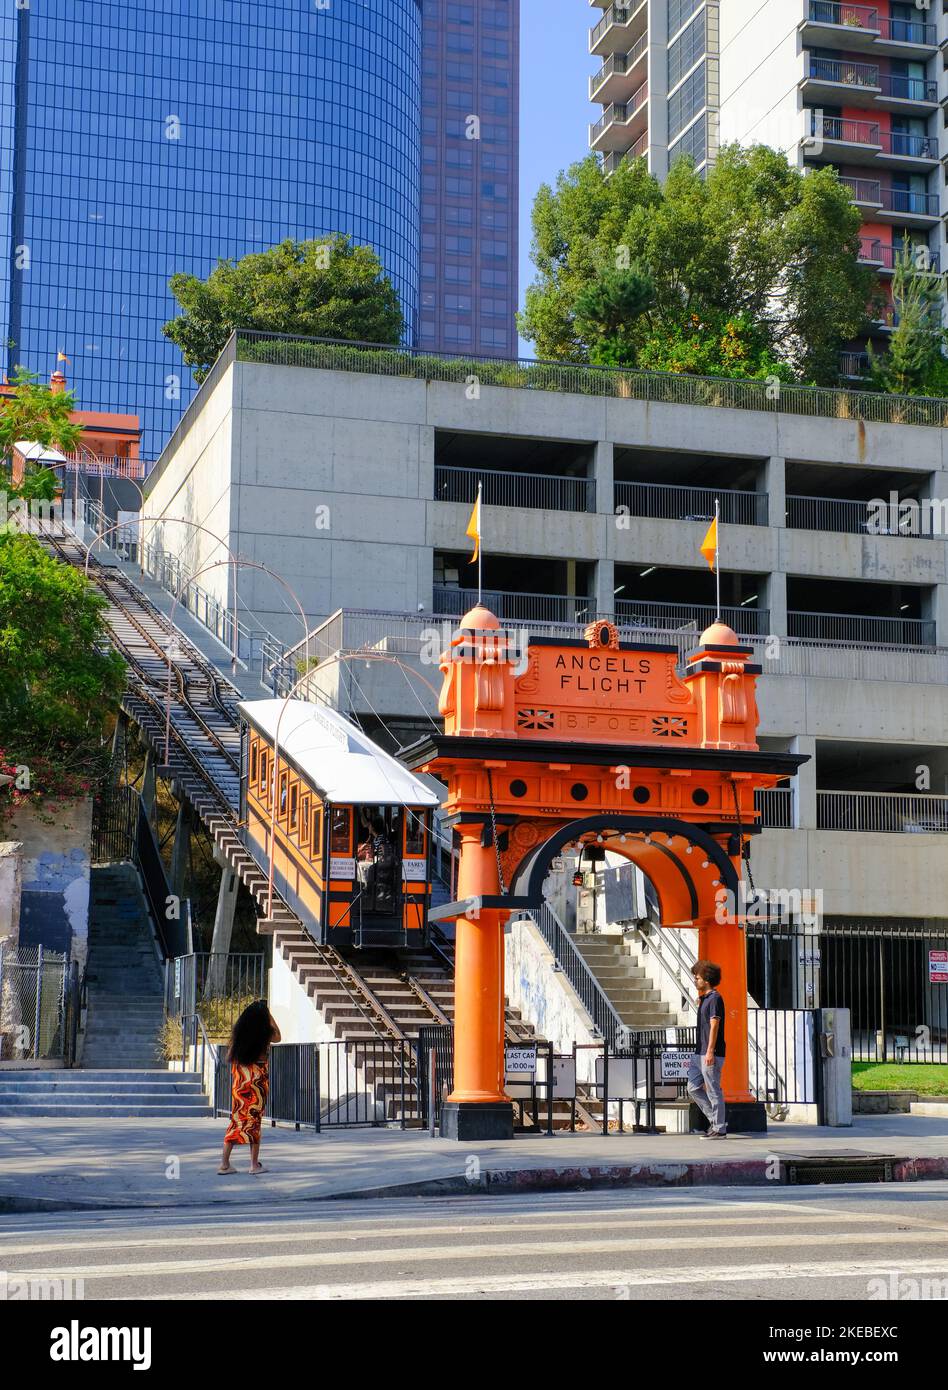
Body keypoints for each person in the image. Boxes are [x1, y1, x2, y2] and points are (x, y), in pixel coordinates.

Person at [218, 1000, 281, 1175]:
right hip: (258, 1084)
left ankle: (224, 1163)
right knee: (254, 1122)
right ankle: (254, 1165)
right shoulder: (263, 1035)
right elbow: (279, 1037)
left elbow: (229, 1056)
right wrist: (268, 1015)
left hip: (240, 1084)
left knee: (236, 1120)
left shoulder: (239, 1037)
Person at [687, 960, 727, 1139]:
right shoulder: (705, 999)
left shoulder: (715, 999)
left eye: (698, 978)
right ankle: (716, 1121)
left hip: (710, 1052)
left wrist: (710, 1050)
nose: (695, 981)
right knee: (693, 1087)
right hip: (699, 1052)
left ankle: (720, 1129)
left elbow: (714, 1026)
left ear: (707, 979)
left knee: (713, 1090)